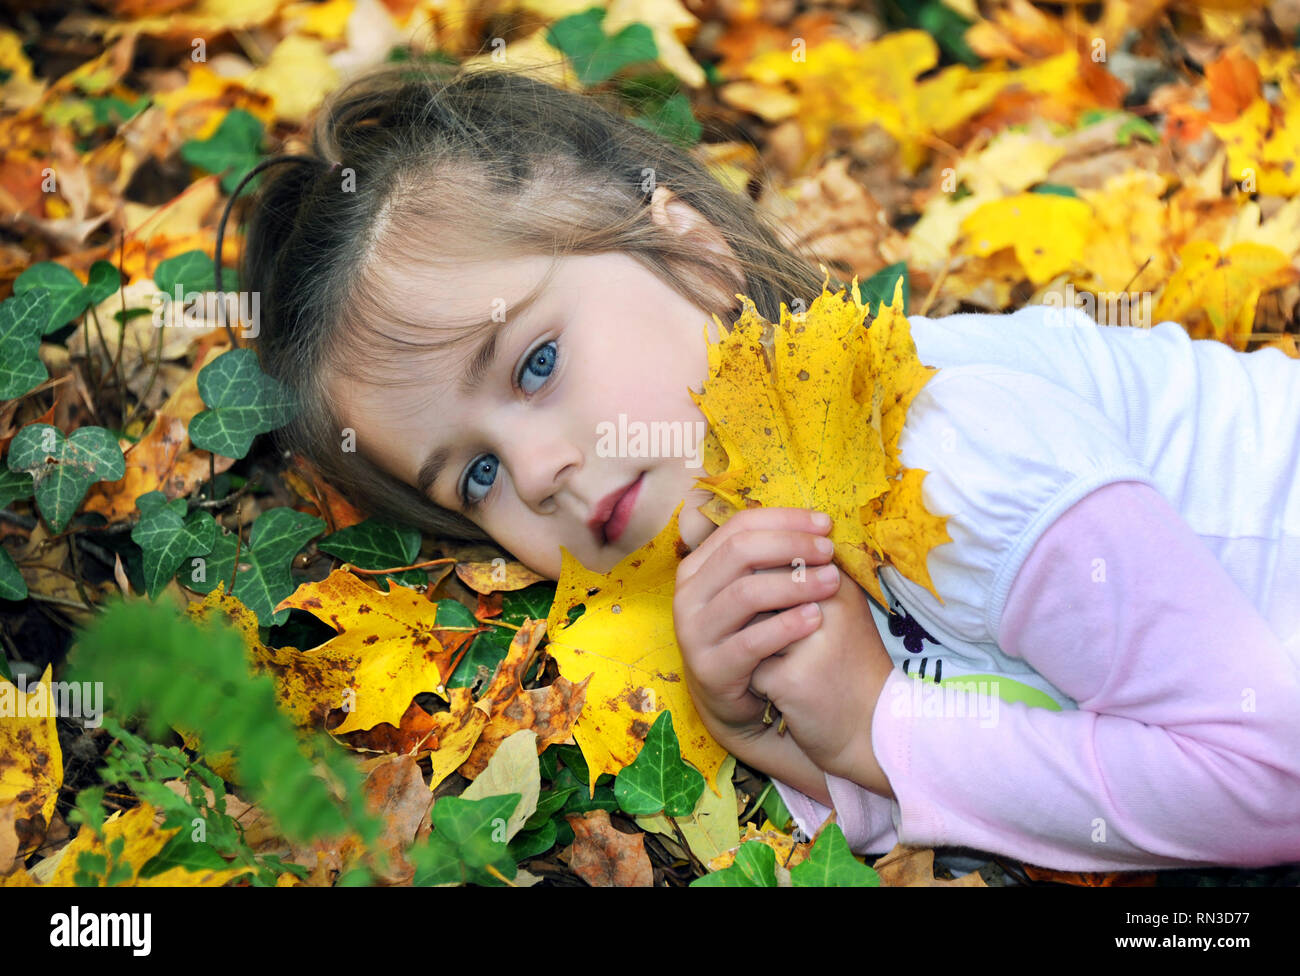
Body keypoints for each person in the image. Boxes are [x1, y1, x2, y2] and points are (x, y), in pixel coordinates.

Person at [234, 60, 1300, 873]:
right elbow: (983, 756)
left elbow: (1271, 779)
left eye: (535, 363)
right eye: (471, 477)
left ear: (695, 255)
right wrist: (792, 741)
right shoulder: (746, 553)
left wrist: (878, 727)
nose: (541, 471)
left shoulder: (955, 465)